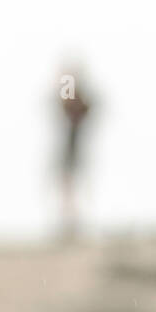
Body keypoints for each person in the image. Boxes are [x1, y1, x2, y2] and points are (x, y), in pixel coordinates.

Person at [56, 70, 92, 240]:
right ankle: (69, 224)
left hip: (74, 147)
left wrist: (68, 84)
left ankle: (73, 224)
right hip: (69, 147)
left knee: (72, 185)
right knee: (68, 186)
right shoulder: (72, 99)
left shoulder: (77, 101)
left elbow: (70, 108)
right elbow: (64, 107)